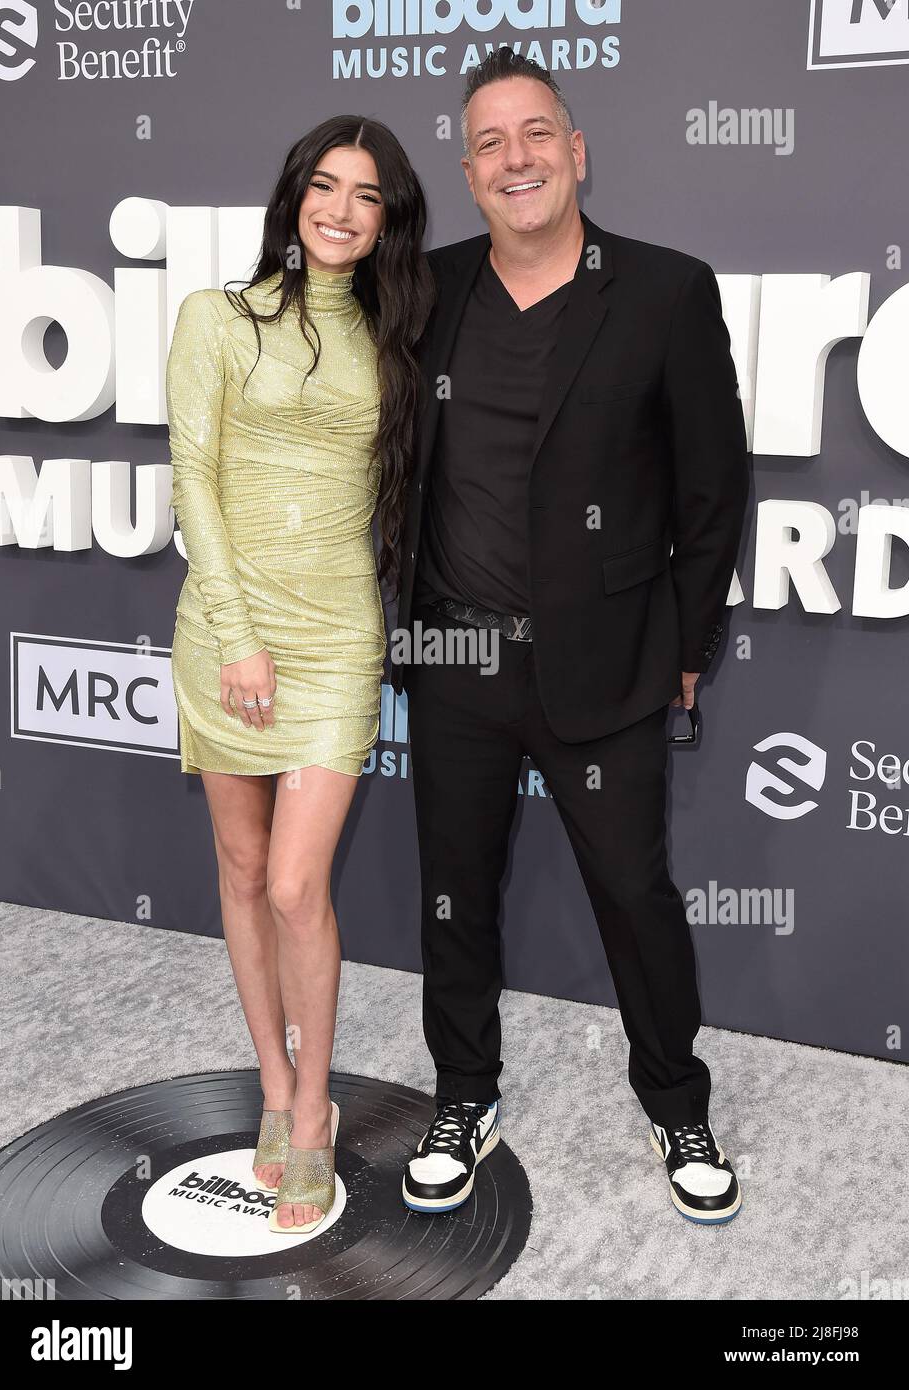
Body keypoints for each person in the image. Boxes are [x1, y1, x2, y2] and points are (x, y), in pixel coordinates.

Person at [392, 50, 750, 1224]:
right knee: (452, 892)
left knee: (634, 892)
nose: (516, 159)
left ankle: (675, 1097)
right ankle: (462, 1090)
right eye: (489, 144)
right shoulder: (426, 290)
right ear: (466, 170)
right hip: (455, 661)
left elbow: (711, 489)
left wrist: (688, 642)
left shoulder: (662, 290)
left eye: (535, 134)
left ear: (577, 150)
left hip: (605, 661)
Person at [166, 116, 433, 1234]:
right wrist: (234, 634)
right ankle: (271, 1089)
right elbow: (195, 476)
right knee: (238, 869)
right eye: (323, 187)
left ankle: (314, 1107)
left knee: (291, 884)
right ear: (292, 200)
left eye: (364, 196)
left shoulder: (397, 339)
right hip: (227, 627)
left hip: (335, 635)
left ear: (386, 221)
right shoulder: (214, 319)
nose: (339, 209)